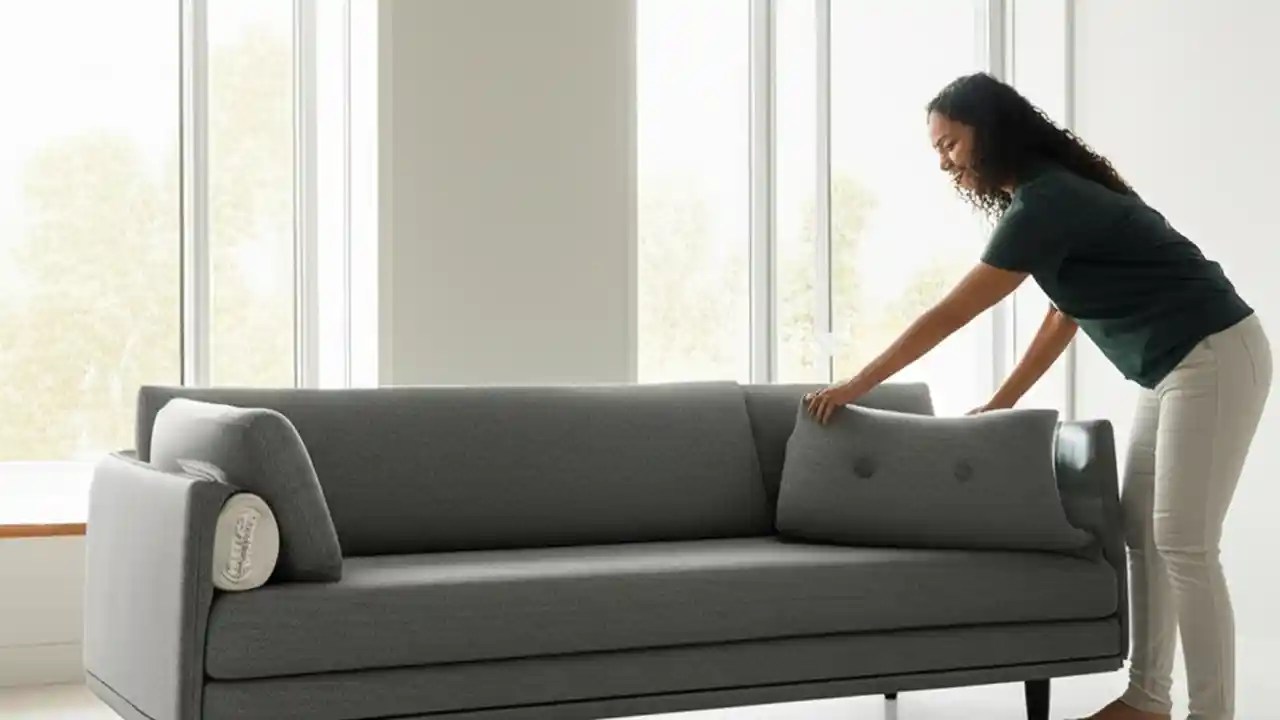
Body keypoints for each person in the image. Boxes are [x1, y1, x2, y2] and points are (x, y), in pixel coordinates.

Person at [803, 72, 1270, 720]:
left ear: (987, 133)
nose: (944, 162)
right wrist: (1003, 399)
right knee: (1140, 528)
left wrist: (858, 383)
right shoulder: (1046, 198)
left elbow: (950, 314)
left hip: (1215, 354)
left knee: (1184, 541)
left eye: (950, 144)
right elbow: (1063, 315)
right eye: (936, 150)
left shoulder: (1046, 202)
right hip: (1174, 367)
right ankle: (1148, 699)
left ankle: (1212, 713)